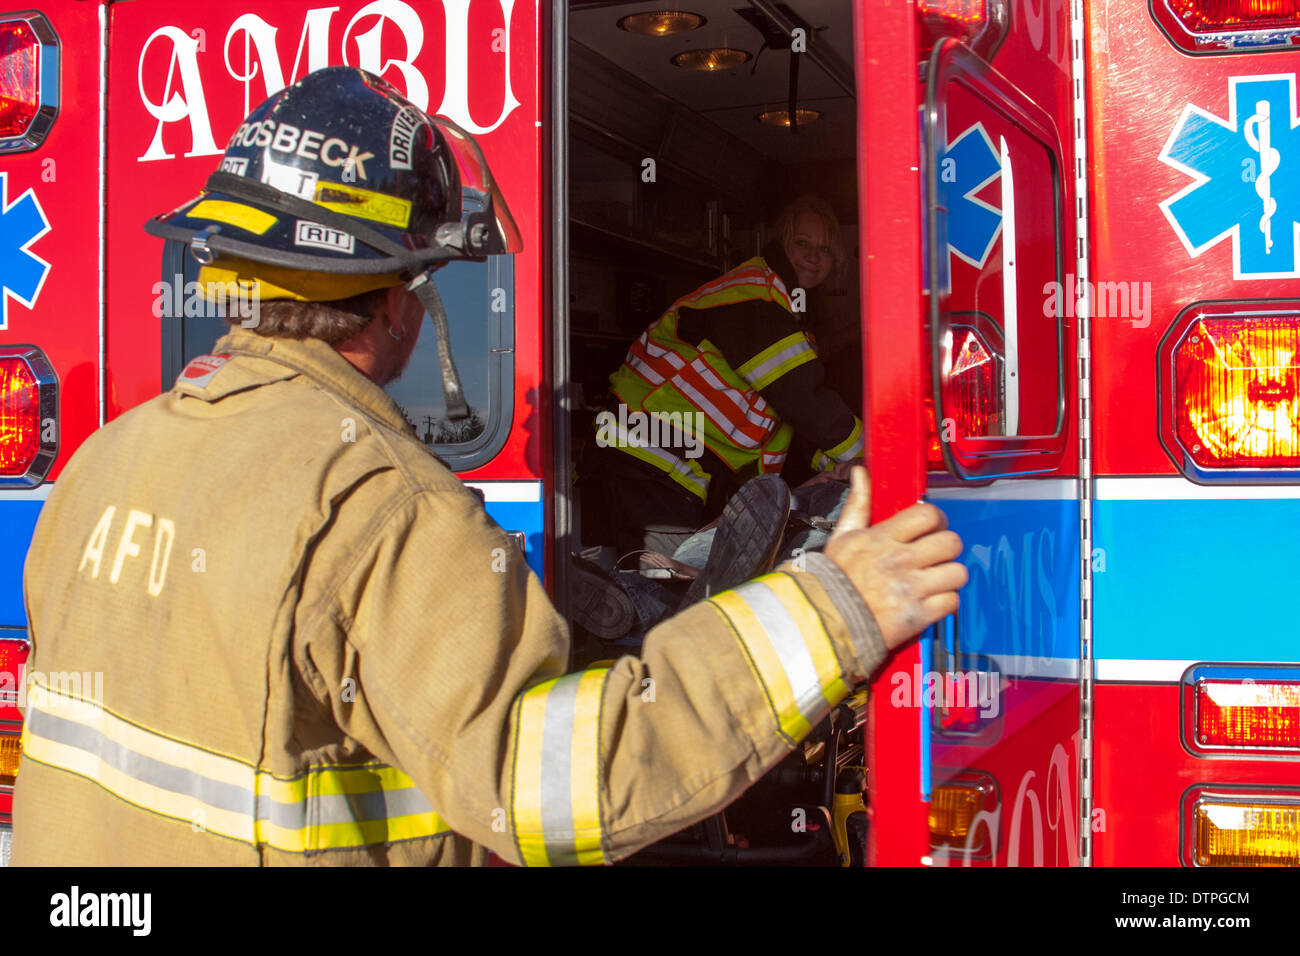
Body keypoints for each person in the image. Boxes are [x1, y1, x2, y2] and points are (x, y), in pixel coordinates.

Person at [13, 67, 967, 866]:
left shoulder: (101, 462)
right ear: (398, 304)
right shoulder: (381, 508)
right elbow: (558, 783)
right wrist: (839, 607)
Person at [579, 195, 864, 562]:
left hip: (667, 469)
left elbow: (780, 432)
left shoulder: (785, 313)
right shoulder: (756, 296)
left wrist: (833, 468)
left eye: (824, 249)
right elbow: (802, 398)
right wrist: (866, 456)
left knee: (660, 584)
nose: (813, 256)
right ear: (781, 242)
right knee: (659, 586)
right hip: (646, 458)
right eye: (802, 243)